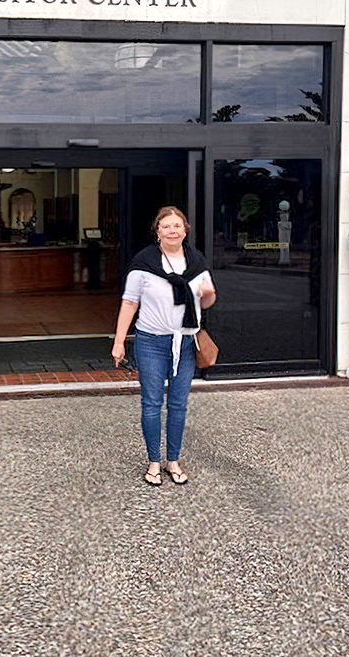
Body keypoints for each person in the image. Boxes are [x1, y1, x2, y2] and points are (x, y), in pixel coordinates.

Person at [111, 206, 216, 487]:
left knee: (179, 405)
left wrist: (207, 296)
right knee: (152, 403)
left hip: (185, 343)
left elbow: (206, 302)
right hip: (151, 342)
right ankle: (154, 462)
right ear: (157, 232)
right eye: (166, 226)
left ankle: (173, 460)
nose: (173, 231)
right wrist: (119, 341)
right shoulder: (144, 263)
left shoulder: (197, 262)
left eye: (177, 226)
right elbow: (130, 302)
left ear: (185, 230)